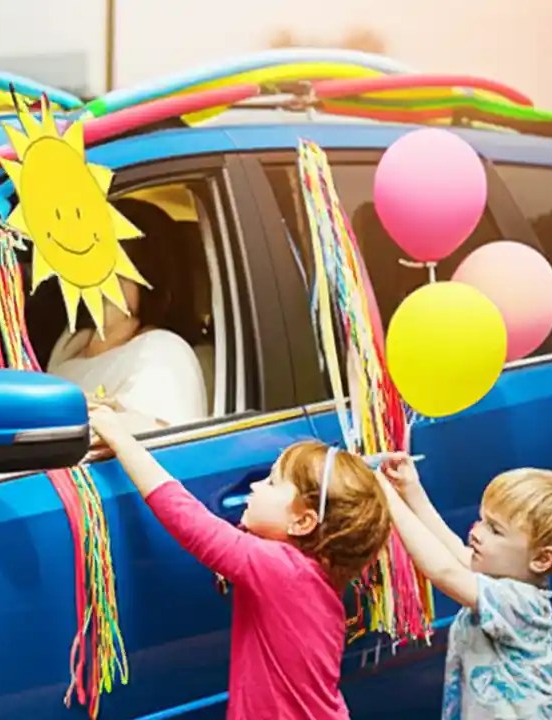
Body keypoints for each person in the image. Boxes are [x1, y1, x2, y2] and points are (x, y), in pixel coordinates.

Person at [90, 406, 392, 720]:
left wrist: (120, 438)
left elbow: (190, 523)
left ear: (303, 522)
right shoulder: (309, 573)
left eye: (272, 483)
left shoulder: (281, 570)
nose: (255, 486)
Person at [377, 454, 552, 719]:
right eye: (482, 520)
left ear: (541, 558)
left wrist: (385, 496)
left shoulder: (519, 602)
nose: (476, 532)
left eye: (495, 530)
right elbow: (455, 551)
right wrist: (411, 491)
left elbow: (444, 571)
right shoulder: (499, 580)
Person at [47, 200, 206, 432]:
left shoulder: (163, 353)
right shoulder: (72, 339)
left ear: (151, 279)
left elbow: (158, 449)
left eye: (115, 272)